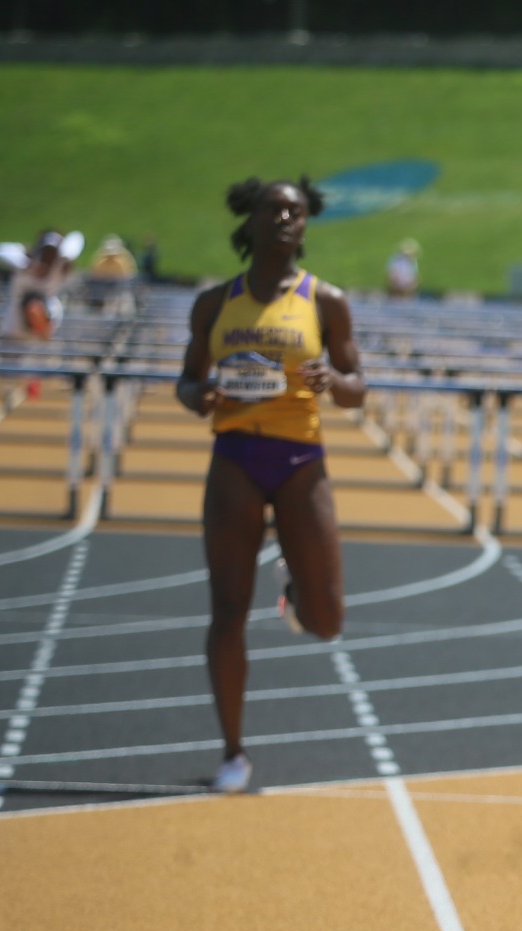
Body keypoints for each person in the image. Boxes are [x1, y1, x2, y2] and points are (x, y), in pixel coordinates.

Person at [176, 177, 367, 795]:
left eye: (298, 212)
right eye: (276, 210)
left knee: (329, 620)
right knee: (226, 611)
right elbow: (186, 381)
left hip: (299, 461)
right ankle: (234, 753)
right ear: (251, 222)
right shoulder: (214, 304)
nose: (288, 218)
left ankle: (294, 590)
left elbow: (358, 383)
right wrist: (199, 396)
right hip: (234, 457)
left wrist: (333, 379)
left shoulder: (326, 301)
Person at [0, 231, 79, 340]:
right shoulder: (25, 261)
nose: (48, 257)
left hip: (42, 327)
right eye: (45, 252)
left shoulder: (59, 268)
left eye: (52, 254)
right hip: (14, 327)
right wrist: (25, 264)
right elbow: (0, 251)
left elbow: (76, 238)